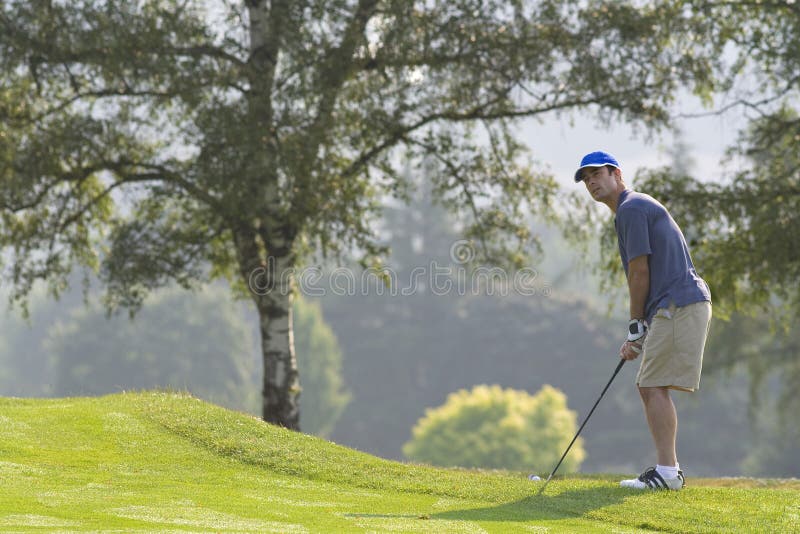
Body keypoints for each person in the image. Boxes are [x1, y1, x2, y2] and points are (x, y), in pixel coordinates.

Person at [574, 151, 712, 491]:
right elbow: (646, 277)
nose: (591, 181)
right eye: (586, 178)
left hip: (679, 303)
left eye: (597, 174)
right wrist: (639, 331)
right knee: (650, 384)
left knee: (651, 385)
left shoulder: (631, 208)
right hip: (673, 304)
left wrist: (635, 324)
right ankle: (669, 471)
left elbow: (639, 272)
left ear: (616, 173)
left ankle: (667, 474)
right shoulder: (630, 210)